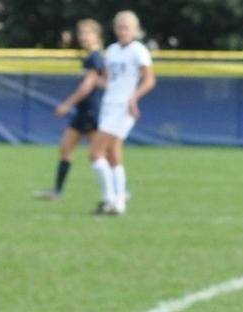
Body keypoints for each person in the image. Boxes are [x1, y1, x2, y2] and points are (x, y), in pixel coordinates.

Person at [88, 10, 154, 216]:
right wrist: (92, 79)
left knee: (95, 153)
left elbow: (149, 80)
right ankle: (119, 204)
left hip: (122, 108)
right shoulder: (112, 50)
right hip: (108, 104)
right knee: (113, 155)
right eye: (120, 27)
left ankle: (110, 200)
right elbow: (109, 80)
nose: (123, 31)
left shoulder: (139, 51)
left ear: (135, 30)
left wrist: (134, 98)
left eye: (127, 28)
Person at [34, 19, 106, 202]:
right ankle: (57, 191)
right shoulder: (90, 57)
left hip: (91, 111)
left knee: (97, 155)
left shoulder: (95, 57)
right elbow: (104, 82)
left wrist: (67, 104)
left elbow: (86, 87)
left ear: (97, 35)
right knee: (66, 149)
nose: (83, 37)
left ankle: (117, 192)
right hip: (83, 112)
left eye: (87, 33)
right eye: (81, 33)